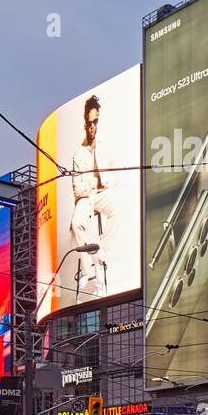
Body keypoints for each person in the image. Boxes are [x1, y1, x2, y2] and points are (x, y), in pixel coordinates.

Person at [68, 94, 117, 298]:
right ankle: (90, 268)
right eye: (89, 123)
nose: (92, 127)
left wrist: (98, 184)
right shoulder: (79, 153)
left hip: (103, 193)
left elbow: (113, 178)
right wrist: (90, 187)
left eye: (95, 122)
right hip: (86, 198)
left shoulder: (105, 146)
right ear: (84, 123)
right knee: (76, 223)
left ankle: (101, 255)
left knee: (121, 206)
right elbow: (77, 188)